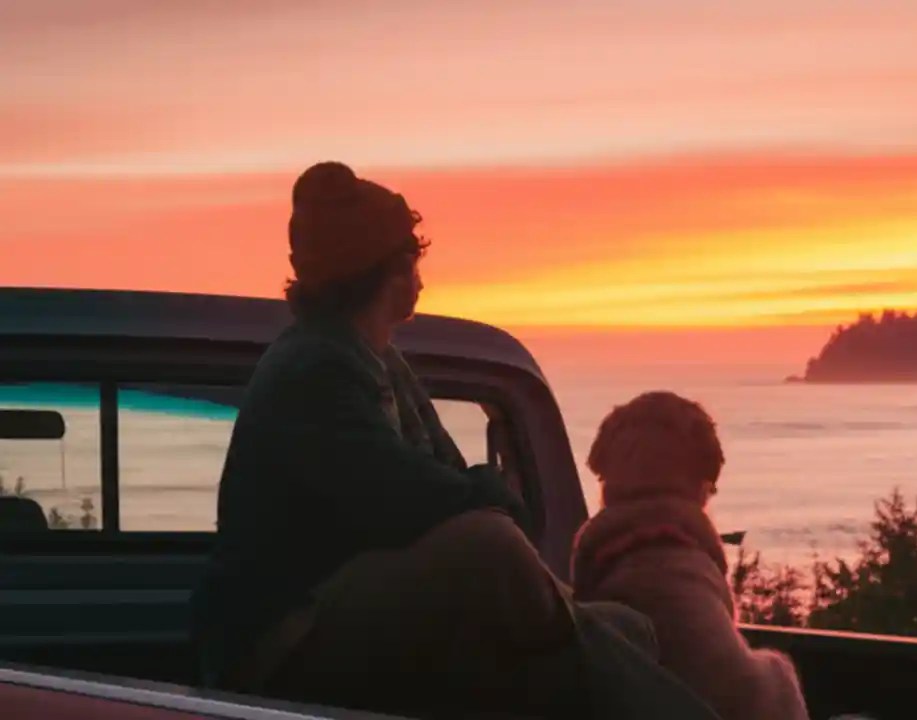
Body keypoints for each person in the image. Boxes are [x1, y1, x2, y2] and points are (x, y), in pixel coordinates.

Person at [191, 162, 583, 717]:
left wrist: (481, 494)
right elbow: (402, 497)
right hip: (283, 636)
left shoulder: (375, 358)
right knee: (489, 549)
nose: (421, 277)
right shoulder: (316, 367)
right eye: (412, 262)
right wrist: (493, 495)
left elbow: (440, 472)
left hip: (331, 605)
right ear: (385, 273)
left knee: (616, 627)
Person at [572, 391, 810, 720]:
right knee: (777, 668)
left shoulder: (597, 559)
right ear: (703, 484)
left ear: (605, 476)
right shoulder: (693, 558)